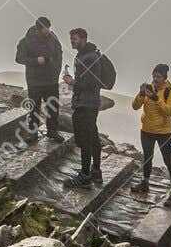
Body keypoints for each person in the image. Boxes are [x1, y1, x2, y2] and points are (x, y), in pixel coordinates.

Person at [61, 27, 108, 187]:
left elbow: (90, 82)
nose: (72, 42)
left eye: (74, 39)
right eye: (71, 39)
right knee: (93, 138)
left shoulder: (88, 57)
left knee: (85, 140)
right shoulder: (88, 55)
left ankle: (85, 175)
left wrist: (72, 82)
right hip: (90, 103)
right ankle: (96, 172)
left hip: (86, 104)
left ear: (83, 38)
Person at [130, 64, 171, 208]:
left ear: (165, 78)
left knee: (168, 161)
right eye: (154, 76)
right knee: (147, 157)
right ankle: (145, 183)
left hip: (164, 132)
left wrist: (156, 99)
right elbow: (135, 106)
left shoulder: (170, 91)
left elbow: (169, 111)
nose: (155, 79)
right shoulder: (148, 88)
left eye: (159, 77)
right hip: (146, 130)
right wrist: (141, 94)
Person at [15, 17, 64, 141]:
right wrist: (36, 61)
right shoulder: (26, 41)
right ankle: (33, 133)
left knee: (53, 107)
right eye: (44, 29)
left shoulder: (53, 38)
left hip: (51, 80)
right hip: (34, 81)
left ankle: (52, 132)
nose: (47, 31)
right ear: (37, 29)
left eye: (48, 28)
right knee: (34, 108)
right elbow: (19, 58)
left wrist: (56, 70)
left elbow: (59, 53)